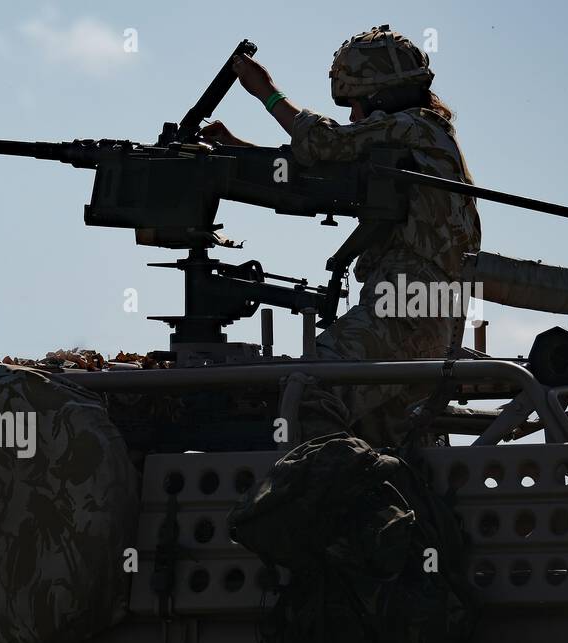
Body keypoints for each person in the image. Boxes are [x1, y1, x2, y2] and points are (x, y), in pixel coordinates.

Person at [200, 25, 482, 448]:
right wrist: (238, 149)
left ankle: (316, 499)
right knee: (388, 439)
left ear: (382, 98)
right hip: (424, 308)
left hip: (405, 306)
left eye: (355, 105)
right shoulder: (421, 140)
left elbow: (327, 143)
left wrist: (266, 93)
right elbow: (311, 177)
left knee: (305, 392)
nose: (352, 117)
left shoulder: (415, 128)